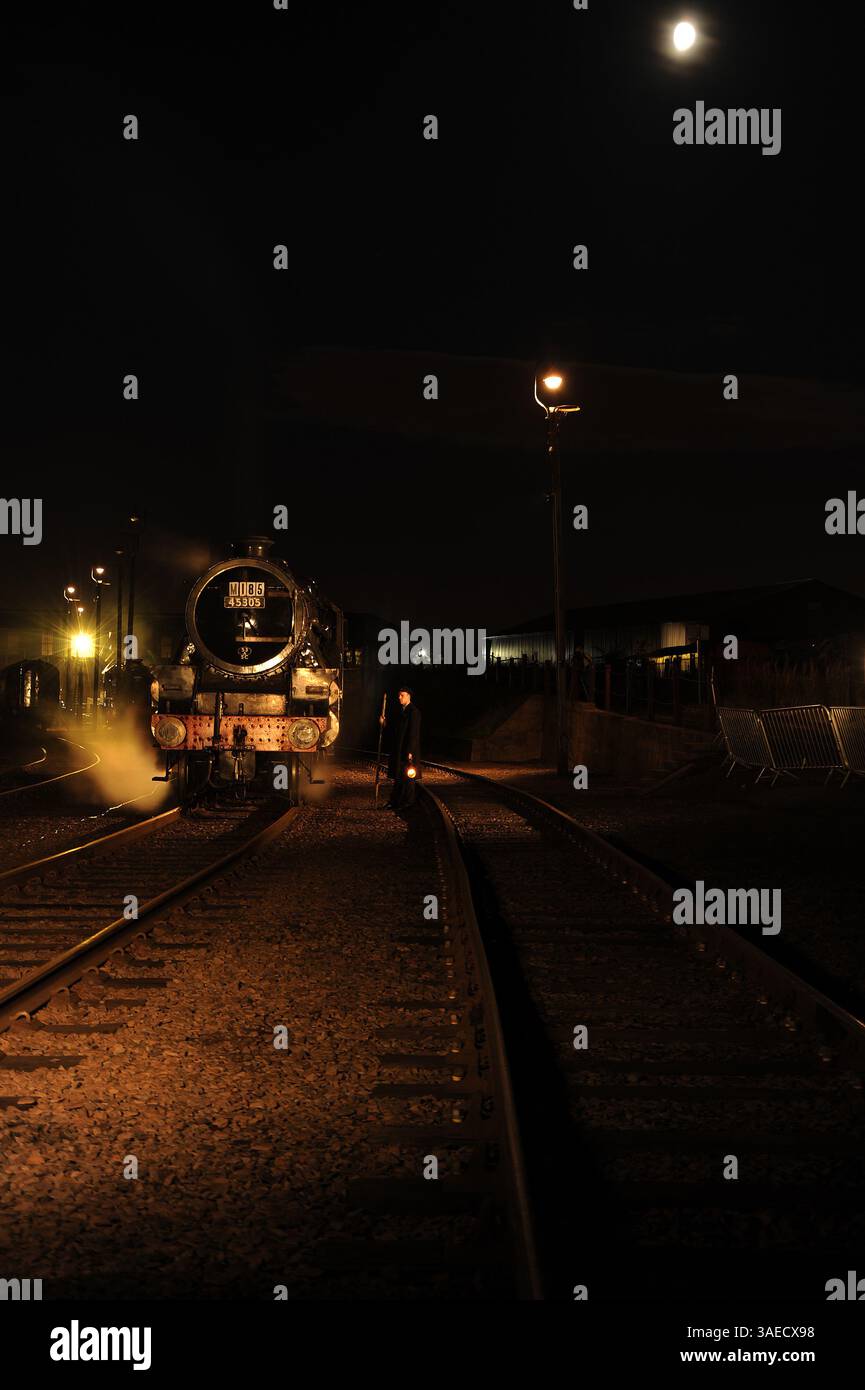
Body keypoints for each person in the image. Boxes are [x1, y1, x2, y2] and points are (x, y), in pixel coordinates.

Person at [380, 685, 421, 811]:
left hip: (408, 751)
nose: (399, 698)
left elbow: (413, 733)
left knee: (408, 778)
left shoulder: (414, 712)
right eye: (399, 695)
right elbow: (395, 730)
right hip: (399, 750)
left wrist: (410, 751)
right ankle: (395, 801)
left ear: (408, 696)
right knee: (399, 776)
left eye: (402, 695)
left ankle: (407, 803)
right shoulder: (401, 711)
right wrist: (385, 724)